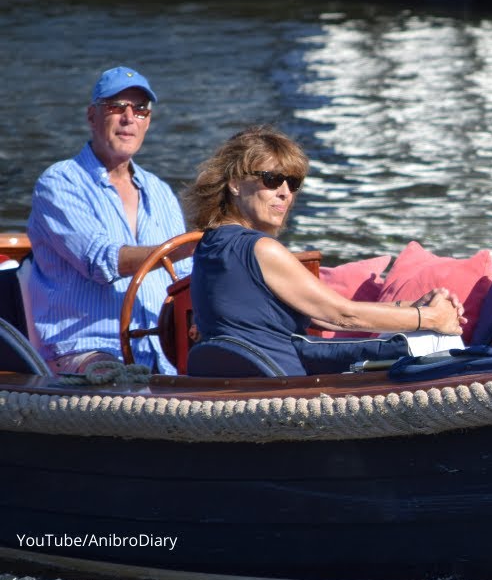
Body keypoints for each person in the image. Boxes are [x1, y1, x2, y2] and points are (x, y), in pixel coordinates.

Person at [183, 125, 465, 375]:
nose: (285, 193)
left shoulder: (210, 245)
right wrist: (432, 319)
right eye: (271, 179)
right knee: (435, 339)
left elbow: (317, 313)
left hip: (252, 372)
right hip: (283, 376)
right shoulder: (261, 248)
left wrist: (411, 308)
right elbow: (342, 315)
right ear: (234, 183)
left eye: (292, 183)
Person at [26, 66, 191, 375]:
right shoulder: (59, 183)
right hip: (88, 350)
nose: (129, 118)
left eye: (140, 110)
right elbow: (101, 261)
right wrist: (186, 248)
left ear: (148, 121)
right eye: (117, 107)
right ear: (92, 116)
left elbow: (183, 279)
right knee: (112, 378)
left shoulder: (160, 191)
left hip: (162, 351)